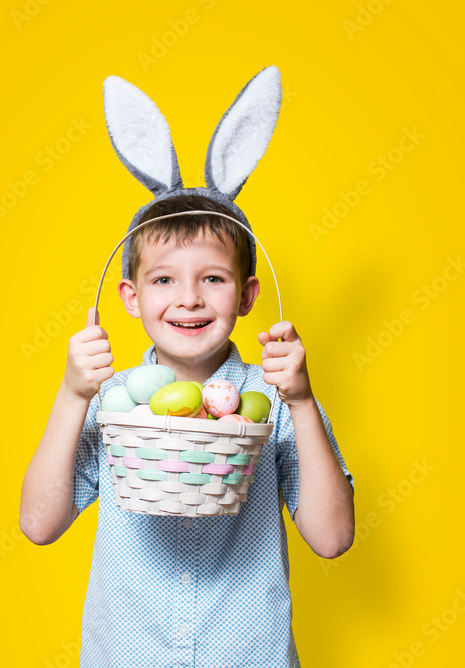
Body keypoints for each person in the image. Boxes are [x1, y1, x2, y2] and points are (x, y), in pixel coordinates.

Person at [19, 68, 355, 667]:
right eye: (164, 279)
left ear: (249, 297)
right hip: (128, 653)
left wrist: (303, 402)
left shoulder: (274, 399)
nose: (190, 299)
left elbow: (331, 539)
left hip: (246, 654)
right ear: (130, 298)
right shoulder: (116, 401)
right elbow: (40, 524)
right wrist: (73, 396)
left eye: (214, 279)